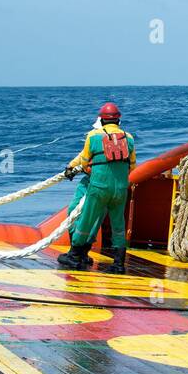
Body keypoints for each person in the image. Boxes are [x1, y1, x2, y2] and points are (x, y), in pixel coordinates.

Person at [57, 102, 135, 274]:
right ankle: (119, 264)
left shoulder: (93, 136)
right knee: (118, 223)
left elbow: (84, 161)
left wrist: (78, 168)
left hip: (99, 186)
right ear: (118, 120)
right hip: (121, 188)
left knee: (86, 219)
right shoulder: (128, 138)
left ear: (101, 120)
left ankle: (75, 256)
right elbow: (132, 165)